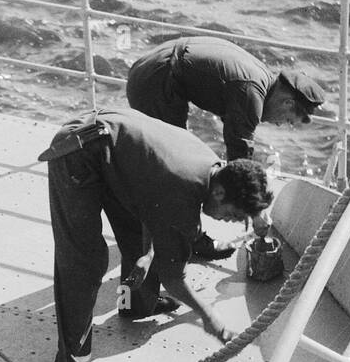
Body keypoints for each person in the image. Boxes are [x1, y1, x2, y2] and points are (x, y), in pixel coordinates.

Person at [40, 107, 273, 362]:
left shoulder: (213, 168)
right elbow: (173, 276)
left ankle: (136, 304)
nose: (231, 222)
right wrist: (208, 316)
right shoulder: (184, 193)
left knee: (138, 241)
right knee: (83, 264)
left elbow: (153, 198)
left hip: (115, 150)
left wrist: (147, 253)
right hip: (78, 153)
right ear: (220, 193)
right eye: (235, 214)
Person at [126, 36, 324, 240]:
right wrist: (255, 211)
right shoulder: (250, 93)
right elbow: (240, 157)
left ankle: (181, 234)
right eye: (289, 120)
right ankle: (183, 239)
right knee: (173, 167)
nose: (281, 124)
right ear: (288, 103)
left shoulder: (262, 79)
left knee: (179, 159)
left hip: (157, 67)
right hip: (155, 80)